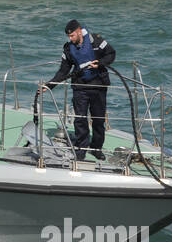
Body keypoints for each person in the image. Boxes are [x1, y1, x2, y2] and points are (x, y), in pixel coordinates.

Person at [38, 18, 116, 162]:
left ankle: (96, 148)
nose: (70, 38)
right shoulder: (68, 49)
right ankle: (81, 148)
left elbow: (111, 54)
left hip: (98, 85)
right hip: (80, 87)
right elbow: (63, 71)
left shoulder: (97, 42)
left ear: (79, 32)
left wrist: (100, 64)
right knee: (80, 120)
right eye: (68, 36)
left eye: (72, 35)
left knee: (98, 120)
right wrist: (49, 85)